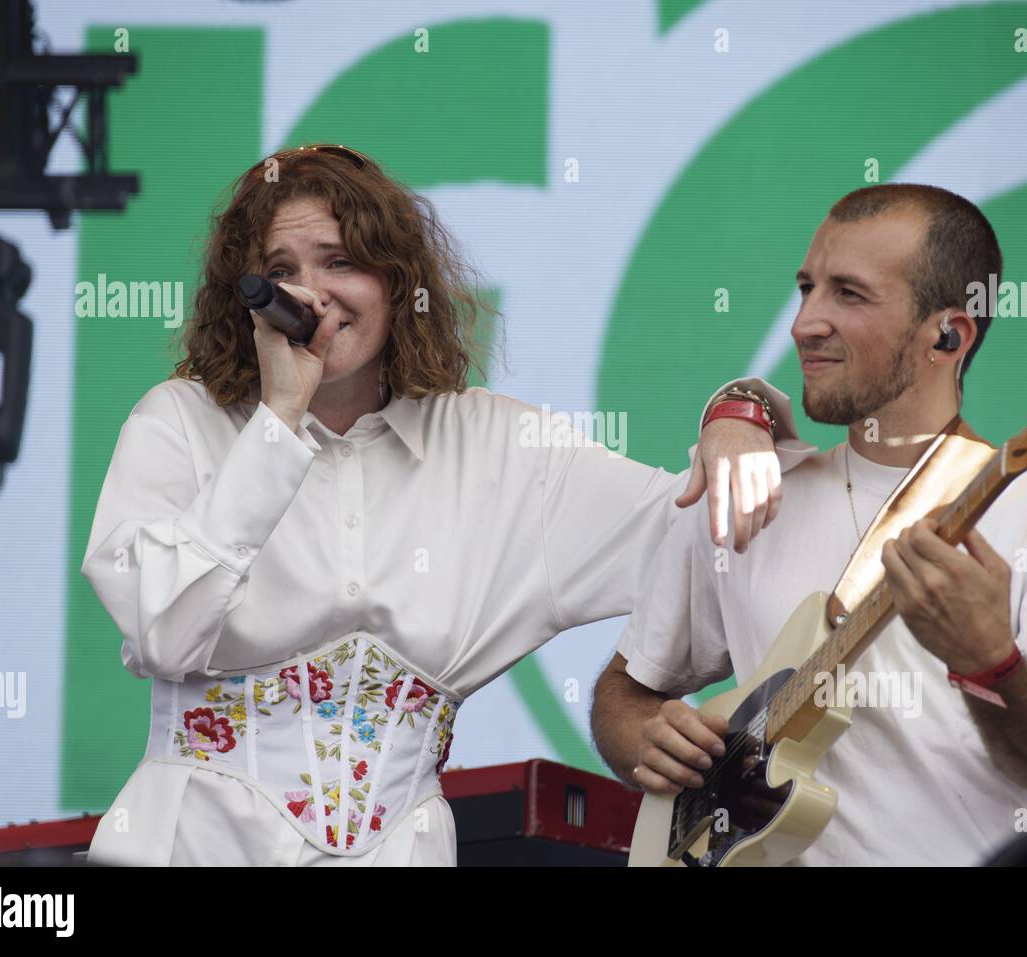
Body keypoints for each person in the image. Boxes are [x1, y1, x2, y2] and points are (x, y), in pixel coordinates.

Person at [81, 144, 796, 866]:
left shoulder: (495, 447)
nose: (311, 294)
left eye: (339, 261)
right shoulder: (177, 422)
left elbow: (698, 537)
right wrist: (279, 419)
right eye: (281, 273)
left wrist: (740, 410)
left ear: (397, 282)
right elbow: (163, 630)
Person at [591, 183, 1027, 866]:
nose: (804, 322)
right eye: (807, 288)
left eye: (848, 294)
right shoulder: (751, 492)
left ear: (948, 333)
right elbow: (625, 690)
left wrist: (992, 662)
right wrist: (646, 736)